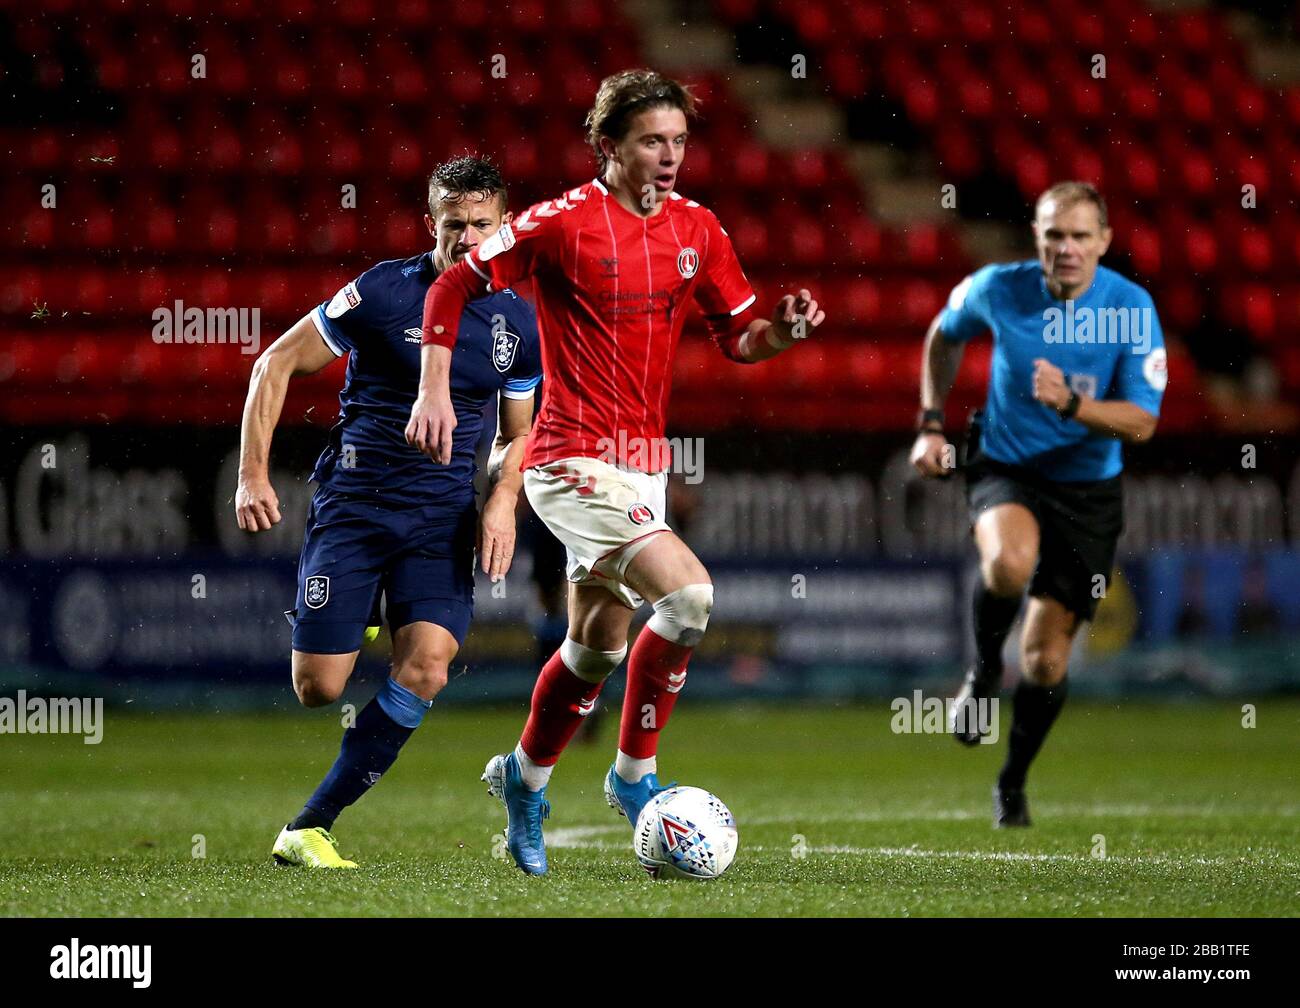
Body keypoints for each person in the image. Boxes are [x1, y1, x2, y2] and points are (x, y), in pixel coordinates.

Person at [407, 69, 826, 874]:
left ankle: (525, 782)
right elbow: (456, 283)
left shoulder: (698, 228)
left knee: (596, 644)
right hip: (567, 461)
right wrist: (434, 388)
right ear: (609, 145)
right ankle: (634, 775)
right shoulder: (561, 224)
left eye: (678, 141)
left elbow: (740, 337)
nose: (669, 156)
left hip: (642, 469)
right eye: (650, 142)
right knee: (691, 596)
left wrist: (784, 330)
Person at [235, 156, 541, 866]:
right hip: (356, 504)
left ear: (506, 227)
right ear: (430, 223)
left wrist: (502, 498)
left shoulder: (516, 321)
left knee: (428, 666)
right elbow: (273, 364)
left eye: (483, 225)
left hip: (439, 519)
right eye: (456, 224)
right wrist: (252, 475)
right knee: (319, 689)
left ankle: (310, 826)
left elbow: (520, 430)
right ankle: (360, 609)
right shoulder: (382, 292)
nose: (469, 238)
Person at [910, 181, 1166, 827]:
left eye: (1081, 235)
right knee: (1006, 566)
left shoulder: (1132, 309)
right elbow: (944, 333)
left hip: (1088, 490)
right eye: (1055, 235)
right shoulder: (998, 287)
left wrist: (1073, 405)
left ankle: (1012, 783)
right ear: (1037, 238)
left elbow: (1141, 422)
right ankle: (979, 674)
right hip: (1006, 467)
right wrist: (931, 423)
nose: (1067, 248)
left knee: (1047, 659)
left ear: (1105, 241)